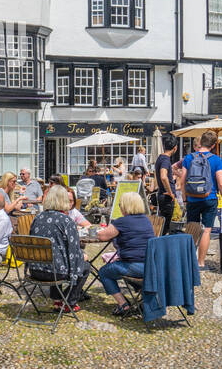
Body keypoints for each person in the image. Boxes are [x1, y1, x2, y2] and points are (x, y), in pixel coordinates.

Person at [92, 190, 156, 318]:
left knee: (104, 272)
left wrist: (99, 230)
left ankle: (123, 304)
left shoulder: (122, 222)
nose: (120, 207)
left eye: (121, 204)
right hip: (151, 266)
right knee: (117, 265)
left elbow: (102, 236)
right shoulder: (146, 220)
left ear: (126, 206)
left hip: (135, 266)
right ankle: (143, 300)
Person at [28, 186, 90, 311]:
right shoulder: (66, 221)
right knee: (85, 266)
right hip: (56, 273)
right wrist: (82, 256)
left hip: (35, 270)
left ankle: (57, 299)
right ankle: (68, 302)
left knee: (54, 259)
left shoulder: (37, 219)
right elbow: (73, 252)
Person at [182, 131, 222, 272]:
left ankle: (188, 262)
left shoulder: (188, 158)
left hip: (192, 199)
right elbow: (220, 183)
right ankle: (201, 263)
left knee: (192, 230)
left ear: (200, 141)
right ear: (214, 145)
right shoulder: (216, 159)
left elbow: (182, 181)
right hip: (209, 198)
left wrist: (185, 199)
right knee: (207, 230)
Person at [152, 134, 179, 234]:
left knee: (162, 225)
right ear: (175, 148)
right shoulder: (165, 159)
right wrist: (170, 192)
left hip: (161, 194)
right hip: (166, 197)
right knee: (165, 227)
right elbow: (163, 176)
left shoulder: (160, 158)